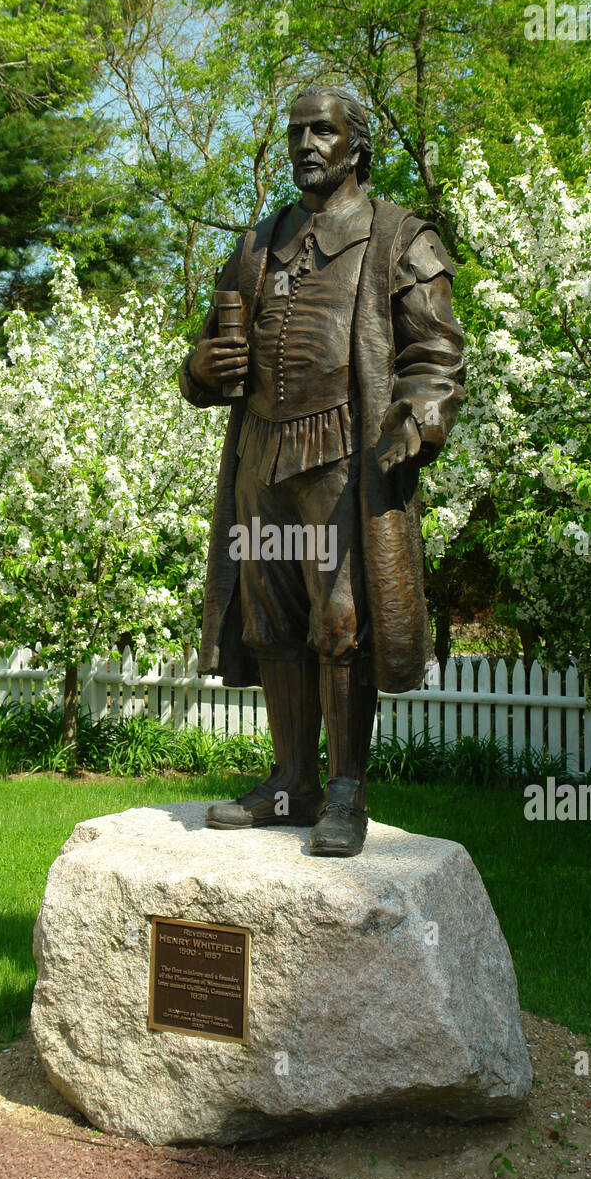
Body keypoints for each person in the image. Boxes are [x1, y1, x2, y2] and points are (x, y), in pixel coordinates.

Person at [179, 85, 465, 856]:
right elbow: (204, 365)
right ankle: (290, 782)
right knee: (269, 620)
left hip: (341, 457)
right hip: (261, 459)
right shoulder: (257, 243)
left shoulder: (400, 237)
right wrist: (201, 368)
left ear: (356, 146)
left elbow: (435, 353)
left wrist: (422, 414)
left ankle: (345, 791)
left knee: (339, 623)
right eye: (296, 131)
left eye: (323, 131)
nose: (306, 144)